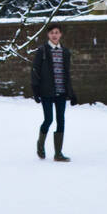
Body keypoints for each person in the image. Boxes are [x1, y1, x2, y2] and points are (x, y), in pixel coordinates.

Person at [31, 24, 78, 162]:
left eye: (57, 33)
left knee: (61, 120)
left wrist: (71, 93)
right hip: (46, 92)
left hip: (61, 92)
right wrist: (35, 90)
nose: (54, 35)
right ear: (48, 35)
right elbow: (35, 71)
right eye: (52, 33)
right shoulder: (42, 51)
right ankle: (40, 143)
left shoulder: (65, 52)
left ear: (61, 34)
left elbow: (67, 73)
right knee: (49, 119)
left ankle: (58, 153)